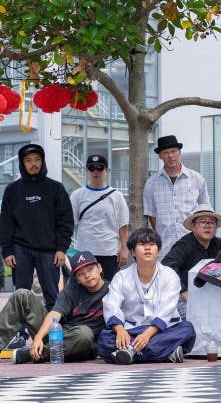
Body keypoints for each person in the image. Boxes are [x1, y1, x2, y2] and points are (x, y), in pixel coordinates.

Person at [97, 227, 196, 364]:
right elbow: (111, 305)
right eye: (142, 245)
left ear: (158, 251)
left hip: (162, 330)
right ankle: (167, 353)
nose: (148, 248)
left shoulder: (169, 275)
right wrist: (120, 330)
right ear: (133, 252)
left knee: (187, 329)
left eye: (152, 245)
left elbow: (167, 309)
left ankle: (130, 352)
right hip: (132, 331)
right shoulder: (121, 277)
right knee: (105, 338)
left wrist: (148, 334)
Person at [0, 144, 73, 309]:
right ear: (22, 163)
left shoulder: (56, 189)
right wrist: (7, 250)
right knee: (21, 296)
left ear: (42, 161)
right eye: (29, 160)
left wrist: (62, 248)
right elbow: (5, 223)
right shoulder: (12, 190)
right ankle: (21, 334)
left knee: (52, 295)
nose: (33, 164)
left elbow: (65, 221)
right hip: (20, 250)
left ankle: (52, 332)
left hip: (49, 250)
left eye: (37, 159)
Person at [1, 251, 108, 364]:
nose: (87, 275)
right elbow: (54, 314)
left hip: (81, 343)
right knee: (22, 295)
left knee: (84, 333)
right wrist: (38, 337)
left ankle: (31, 355)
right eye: (81, 274)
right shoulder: (72, 290)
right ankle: (39, 349)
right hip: (56, 336)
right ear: (77, 278)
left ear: (99, 268)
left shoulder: (112, 290)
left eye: (90, 269)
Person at [143, 135, 210, 255]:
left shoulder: (197, 179)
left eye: (173, 151)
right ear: (160, 156)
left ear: (179, 152)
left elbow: (205, 210)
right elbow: (151, 215)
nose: (170, 156)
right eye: (165, 152)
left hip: (194, 245)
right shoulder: (151, 183)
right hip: (165, 247)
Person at [162, 204, 221, 320]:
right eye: (202, 222)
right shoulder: (184, 246)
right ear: (193, 226)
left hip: (210, 297)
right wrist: (183, 291)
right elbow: (166, 266)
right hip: (182, 299)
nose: (207, 226)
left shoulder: (220, 244)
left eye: (211, 223)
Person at [70, 154, 129, 281]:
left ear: (106, 171)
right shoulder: (77, 195)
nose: (95, 171)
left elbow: (123, 225)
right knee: (82, 291)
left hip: (109, 252)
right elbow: (69, 223)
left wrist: (124, 249)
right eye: (91, 168)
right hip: (85, 252)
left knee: (108, 291)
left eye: (100, 168)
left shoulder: (117, 196)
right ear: (86, 171)